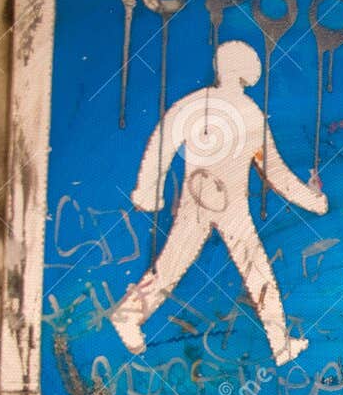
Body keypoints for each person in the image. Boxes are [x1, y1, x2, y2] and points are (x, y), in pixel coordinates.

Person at [111, 40, 327, 365]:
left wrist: (148, 191)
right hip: (231, 209)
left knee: (170, 268)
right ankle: (280, 345)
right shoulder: (250, 114)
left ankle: (129, 317)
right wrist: (315, 202)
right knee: (258, 274)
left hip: (196, 203)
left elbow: (161, 144)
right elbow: (277, 174)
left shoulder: (193, 104)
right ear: (247, 72)